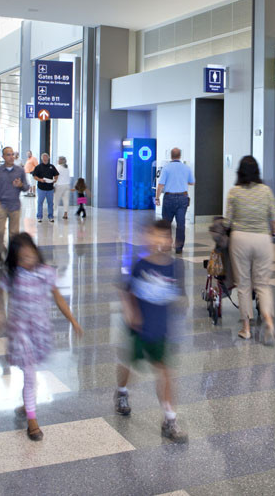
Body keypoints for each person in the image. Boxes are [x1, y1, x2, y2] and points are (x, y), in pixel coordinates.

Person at [0, 232, 82, 441]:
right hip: (20, 333)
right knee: (30, 373)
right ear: (15, 260)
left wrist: (73, 321)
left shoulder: (46, 273)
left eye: (31, 255)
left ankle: (27, 403)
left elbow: (59, 299)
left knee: (31, 374)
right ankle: (32, 420)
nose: (28, 260)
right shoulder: (12, 277)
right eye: (23, 258)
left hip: (39, 331)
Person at [115, 219, 187, 442]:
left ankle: (169, 419)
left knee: (166, 374)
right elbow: (125, 291)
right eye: (155, 235)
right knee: (128, 364)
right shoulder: (141, 264)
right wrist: (130, 311)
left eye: (165, 236)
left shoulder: (176, 266)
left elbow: (179, 292)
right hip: (138, 328)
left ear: (172, 241)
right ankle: (122, 392)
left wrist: (181, 303)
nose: (160, 240)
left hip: (161, 330)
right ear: (147, 238)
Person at [225, 155, 275, 345]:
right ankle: (269, 321)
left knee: (244, 285)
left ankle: (246, 329)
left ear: (240, 172)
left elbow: (228, 220)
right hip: (263, 239)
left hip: (240, 239)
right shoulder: (266, 191)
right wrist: (274, 231)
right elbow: (273, 217)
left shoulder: (234, 192)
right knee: (263, 284)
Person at [155, 147, 195, 255]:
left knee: (166, 223)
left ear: (171, 156)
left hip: (169, 198)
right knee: (181, 224)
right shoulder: (186, 168)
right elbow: (192, 182)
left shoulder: (166, 168)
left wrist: (157, 197)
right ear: (180, 156)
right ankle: (179, 247)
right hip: (183, 198)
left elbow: (160, 185)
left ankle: (166, 245)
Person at [0, 147, 26, 262]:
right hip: (2, 205)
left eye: (12, 154)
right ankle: (1, 250)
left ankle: (11, 256)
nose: (11, 157)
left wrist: (21, 185)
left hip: (15, 205)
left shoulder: (20, 171)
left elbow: (26, 187)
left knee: (14, 234)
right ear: (3, 157)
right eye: (8, 154)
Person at [32, 153, 58, 223]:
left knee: (50, 203)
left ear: (48, 158)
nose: (45, 159)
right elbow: (34, 176)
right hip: (41, 188)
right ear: (42, 159)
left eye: (46, 158)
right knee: (40, 203)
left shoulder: (52, 167)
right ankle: (39, 217)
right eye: (44, 158)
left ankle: (51, 216)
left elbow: (56, 175)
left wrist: (55, 179)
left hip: (50, 188)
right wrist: (40, 180)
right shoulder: (38, 167)